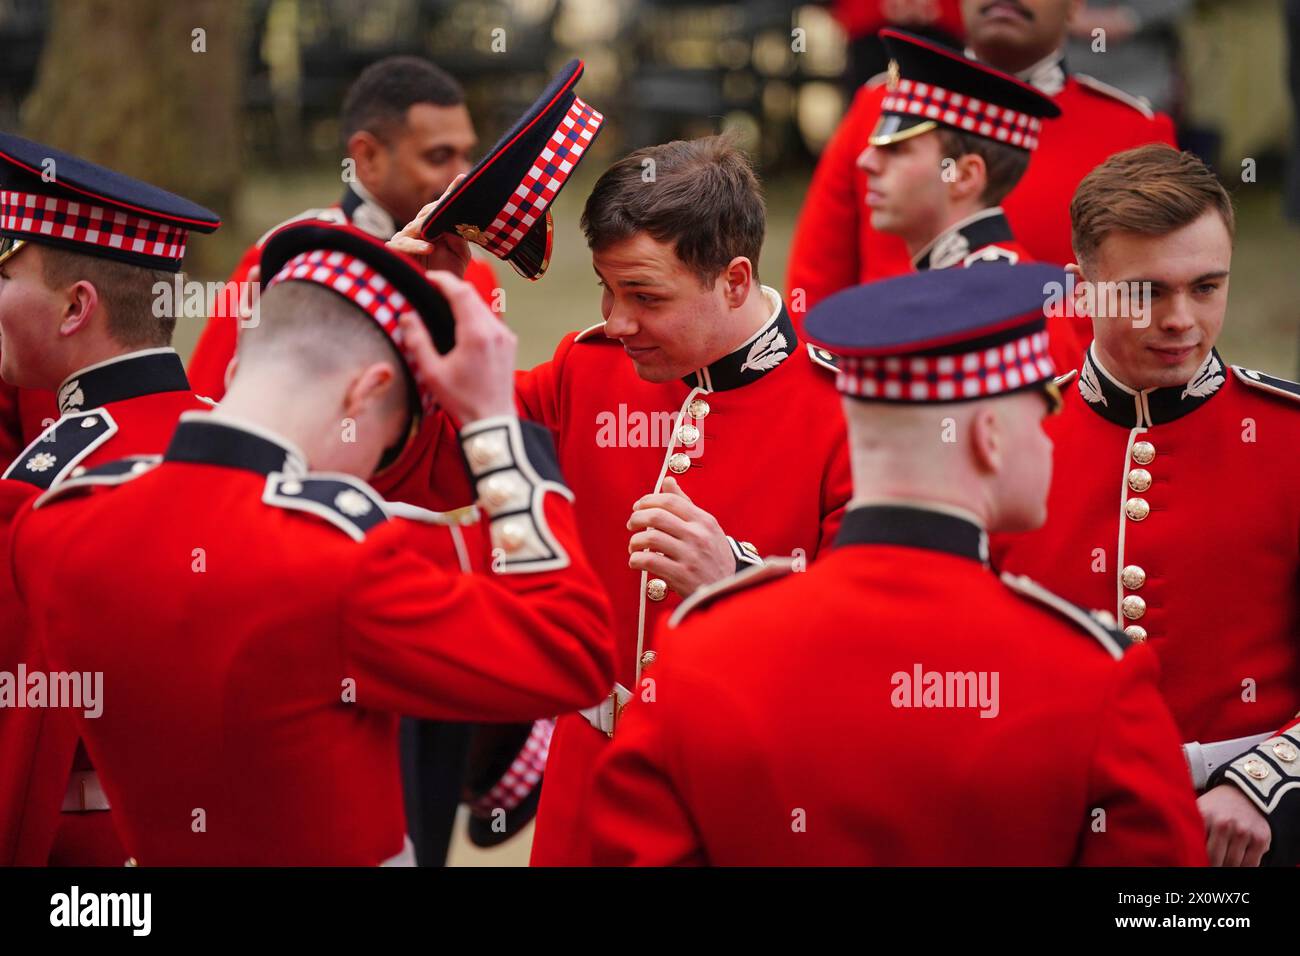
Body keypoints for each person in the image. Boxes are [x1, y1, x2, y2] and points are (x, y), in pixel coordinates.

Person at [3, 220, 616, 865]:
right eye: (383, 447)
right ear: (367, 391)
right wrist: (492, 422)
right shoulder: (340, 567)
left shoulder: (55, 524)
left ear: (238, 364)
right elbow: (573, 653)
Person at [588, 264, 1207, 865]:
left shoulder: (696, 656)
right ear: (989, 435)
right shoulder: (1094, 679)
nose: (1050, 434)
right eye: (1043, 409)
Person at [399, 133, 854, 865]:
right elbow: (421, 464)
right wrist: (404, 305)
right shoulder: (590, 369)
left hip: (745, 798)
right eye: (608, 290)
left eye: (645, 295)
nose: (616, 321)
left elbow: (876, 637)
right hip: (591, 778)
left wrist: (737, 579)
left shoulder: (844, 409)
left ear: (735, 281)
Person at [991, 144, 1300, 867]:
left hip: (1259, 832)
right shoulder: (1009, 439)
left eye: (1206, 287)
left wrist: (1260, 786)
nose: (1181, 320)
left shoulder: (1288, 438)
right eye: (1145, 292)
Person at [0, 131, 220, 866]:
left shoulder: (43, 486)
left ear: (74, 309)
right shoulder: (248, 438)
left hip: (88, 851)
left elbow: (23, 739)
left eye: (8, 277)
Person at [788, 0, 1176, 321]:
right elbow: (815, 294)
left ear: (1075, 5)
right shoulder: (879, 108)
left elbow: (1149, 311)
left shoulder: (1132, 136)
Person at [857, 28, 1081, 368]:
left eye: (897, 149)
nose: (866, 161)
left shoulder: (1003, 309)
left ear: (963, 176)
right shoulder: (968, 285)